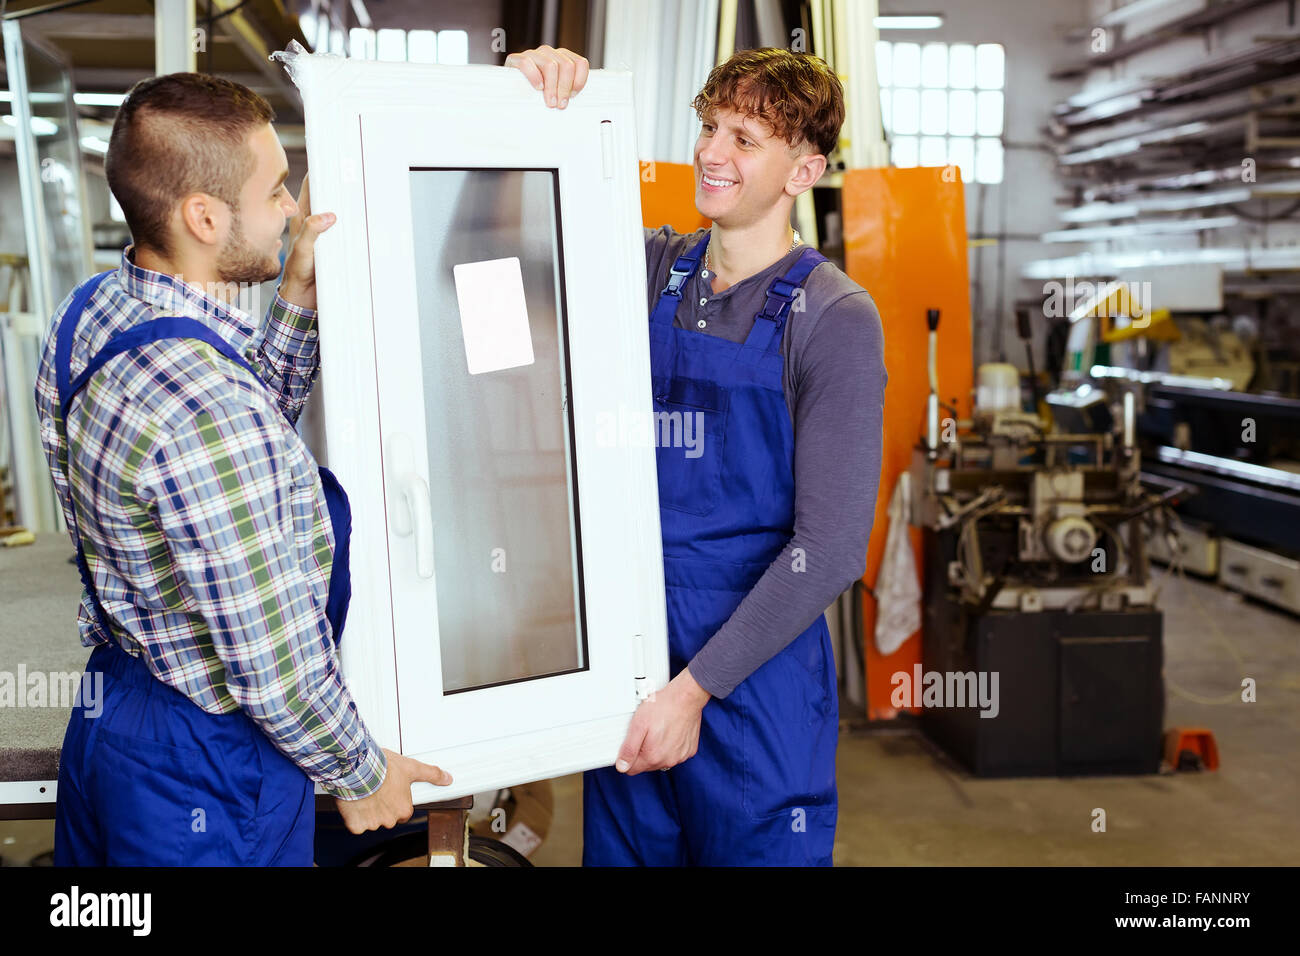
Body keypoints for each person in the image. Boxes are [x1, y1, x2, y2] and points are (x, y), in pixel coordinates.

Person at [35, 73, 451, 866]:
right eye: (277, 190)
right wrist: (361, 773)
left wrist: (295, 302)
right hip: (207, 769)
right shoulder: (207, 407)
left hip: (112, 717)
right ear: (204, 216)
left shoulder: (91, 312)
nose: (292, 208)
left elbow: (220, 454)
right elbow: (274, 664)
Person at [507, 45, 887, 865]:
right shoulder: (651, 269)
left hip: (752, 680)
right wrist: (528, 98)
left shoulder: (834, 317)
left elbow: (827, 552)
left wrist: (696, 691)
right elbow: (507, 248)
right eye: (710, 128)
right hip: (635, 659)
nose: (712, 153)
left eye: (745, 139)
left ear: (803, 171)